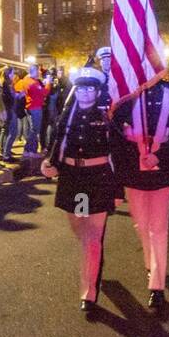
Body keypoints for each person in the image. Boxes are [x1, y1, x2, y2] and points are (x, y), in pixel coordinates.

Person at [109, 54, 169, 311]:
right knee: (142, 226)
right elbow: (115, 135)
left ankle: (156, 284)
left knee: (159, 228)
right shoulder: (127, 98)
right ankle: (150, 265)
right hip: (135, 173)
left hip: (161, 171)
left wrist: (160, 153)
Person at [41, 66, 116, 314]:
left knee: (92, 237)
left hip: (97, 179)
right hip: (74, 180)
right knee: (82, 232)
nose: (85, 93)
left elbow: (118, 151)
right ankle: (94, 265)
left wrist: (119, 189)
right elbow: (57, 144)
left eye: (90, 88)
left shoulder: (106, 116)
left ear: (97, 91)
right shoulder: (67, 115)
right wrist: (50, 164)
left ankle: (89, 292)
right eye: (81, 88)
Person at [24, 69, 48, 156]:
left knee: (33, 129)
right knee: (35, 130)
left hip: (33, 106)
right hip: (35, 107)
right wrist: (48, 83)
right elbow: (44, 92)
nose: (39, 74)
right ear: (33, 71)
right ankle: (31, 150)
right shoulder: (32, 82)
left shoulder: (30, 80)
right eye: (38, 72)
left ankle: (28, 150)